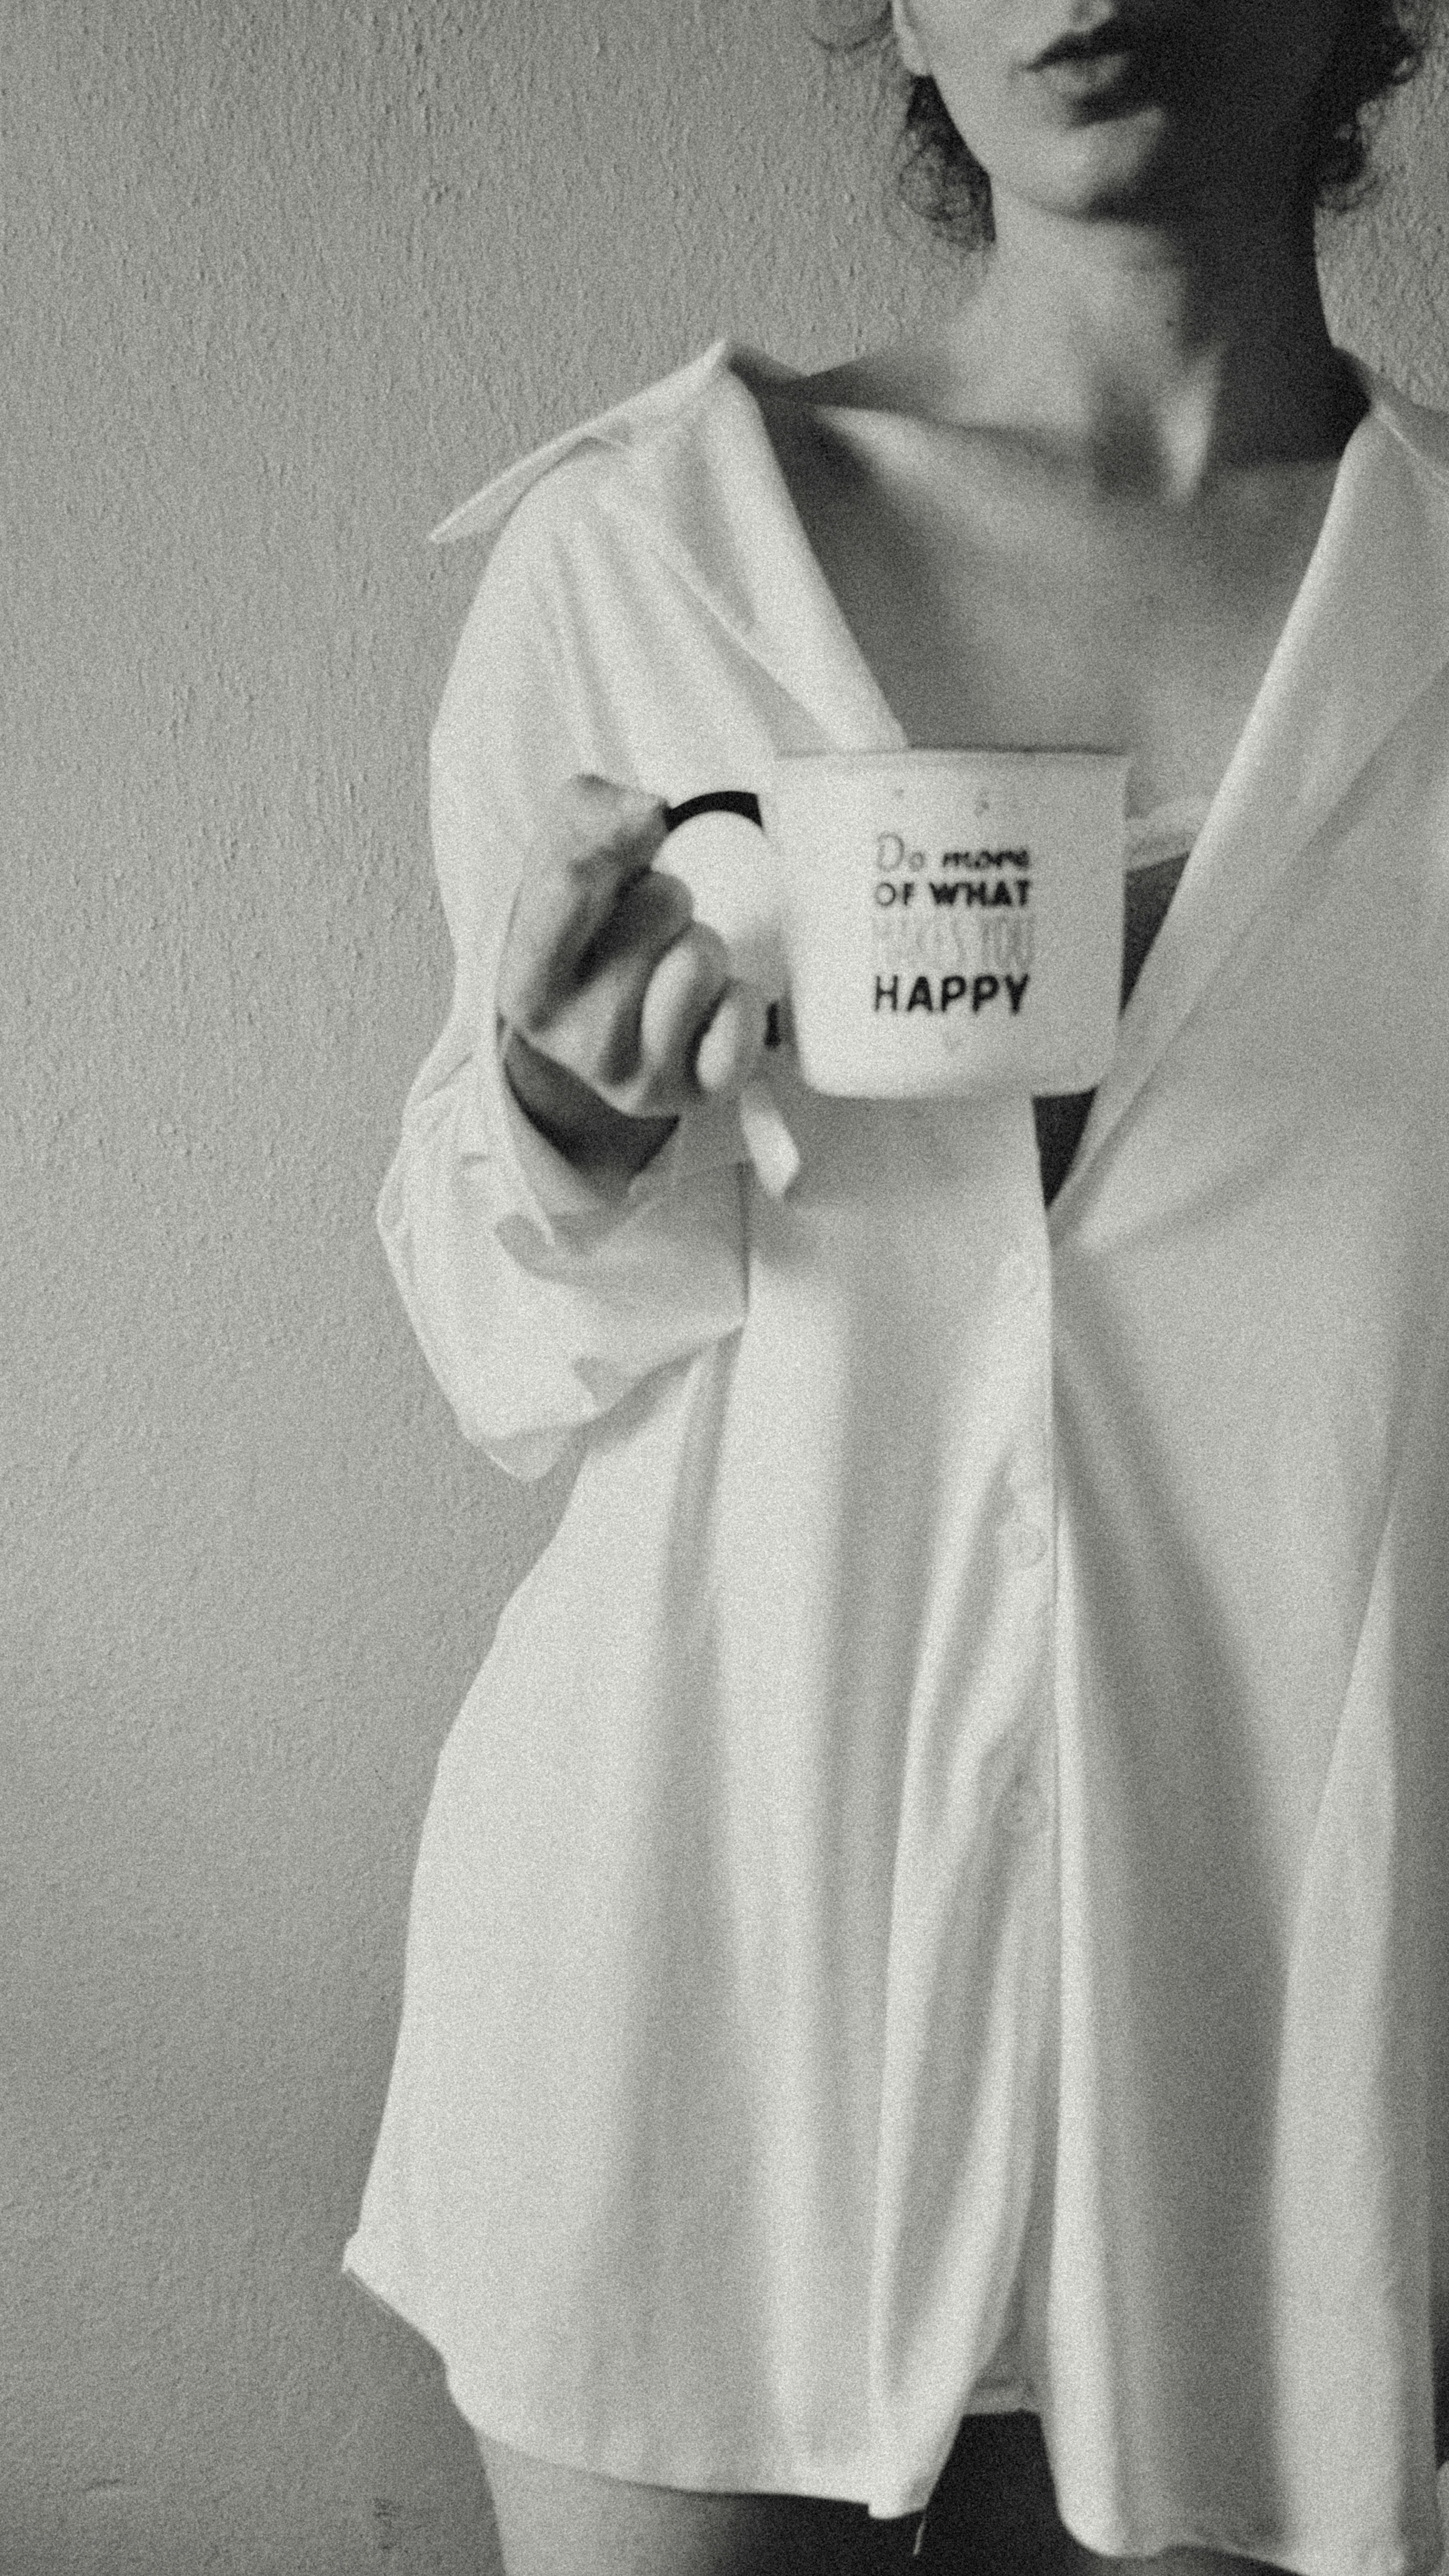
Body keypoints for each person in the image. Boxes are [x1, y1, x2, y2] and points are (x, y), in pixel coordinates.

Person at [343, 5, 1449, 2570]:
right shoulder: (649, 554)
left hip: (1281, 2002)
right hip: (703, 1949)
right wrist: (569, 1125)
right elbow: (500, 1347)